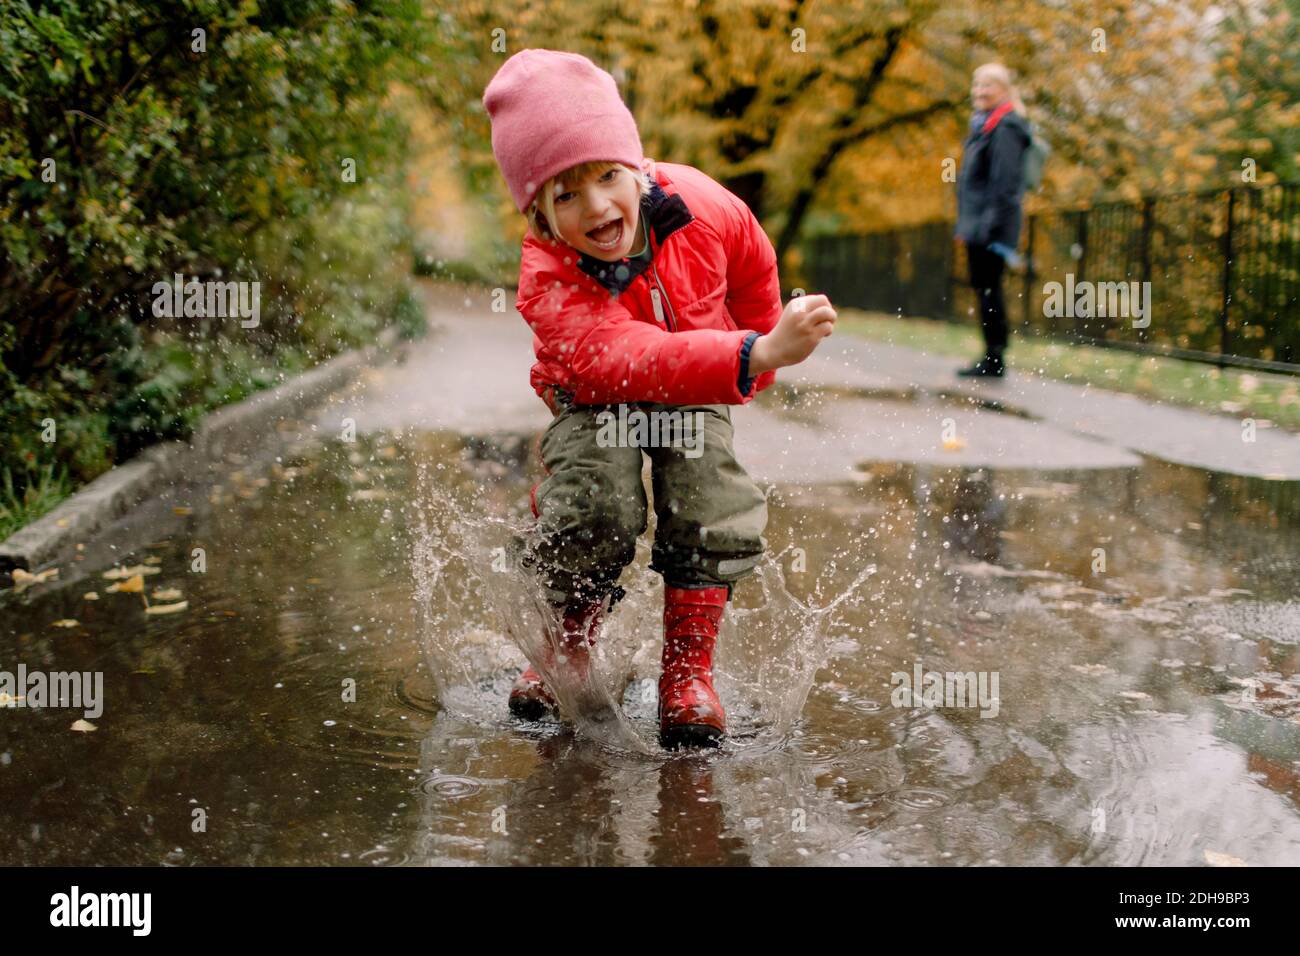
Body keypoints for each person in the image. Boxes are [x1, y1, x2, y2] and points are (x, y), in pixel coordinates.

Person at [482, 49, 837, 749]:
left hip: (702, 373)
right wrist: (752, 355)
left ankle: (688, 673)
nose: (597, 207)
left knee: (710, 495)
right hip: (596, 396)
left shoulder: (704, 207)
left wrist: (757, 348)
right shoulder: (547, 272)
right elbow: (623, 356)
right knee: (595, 502)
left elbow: (753, 266)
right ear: (539, 216)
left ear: (636, 167)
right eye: (565, 195)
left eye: (607, 177)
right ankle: (566, 647)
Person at [954, 62, 1031, 378]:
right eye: (977, 85)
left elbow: (1005, 184)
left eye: (988, 85)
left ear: (1004, 90)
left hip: (990, 227)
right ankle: (992, 354)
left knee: (989, 289)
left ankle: (995, 357)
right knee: (985, 288)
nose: (981, 91)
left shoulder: (1005, 128)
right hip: (978, 224)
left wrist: (986, 228)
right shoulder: (986, 125)